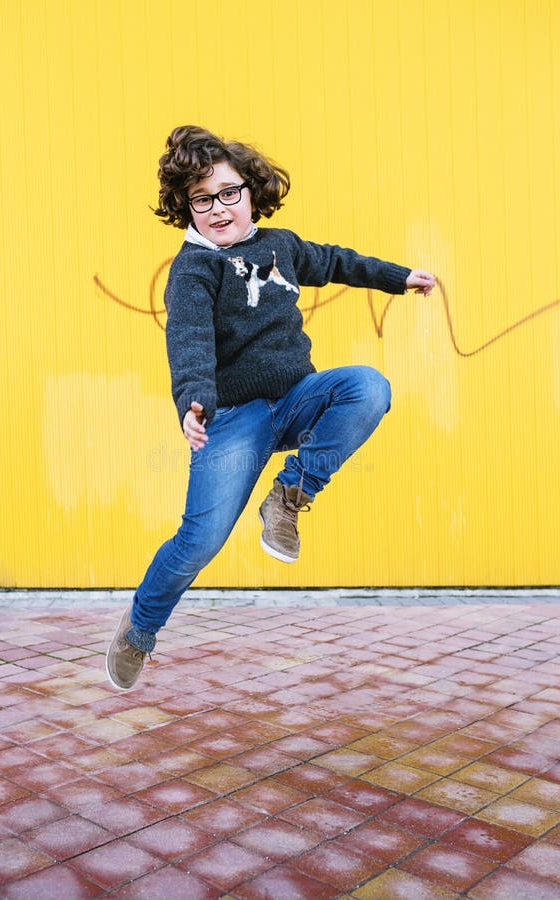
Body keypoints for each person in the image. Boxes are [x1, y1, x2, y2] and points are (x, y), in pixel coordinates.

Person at [106, 125, 435, 690]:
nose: (217, 209)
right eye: (201, 200)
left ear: (251, 191)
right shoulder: (193, 270)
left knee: (367, 386)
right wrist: (193, 403)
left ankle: (289, 495)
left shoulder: (280, 245)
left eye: (229, 192)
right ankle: (140, 628)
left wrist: (396, 277)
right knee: (199, 541)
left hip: (295, 401)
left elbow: (335, 261)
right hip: (232, 417)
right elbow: (188, 343)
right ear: (186, 206)